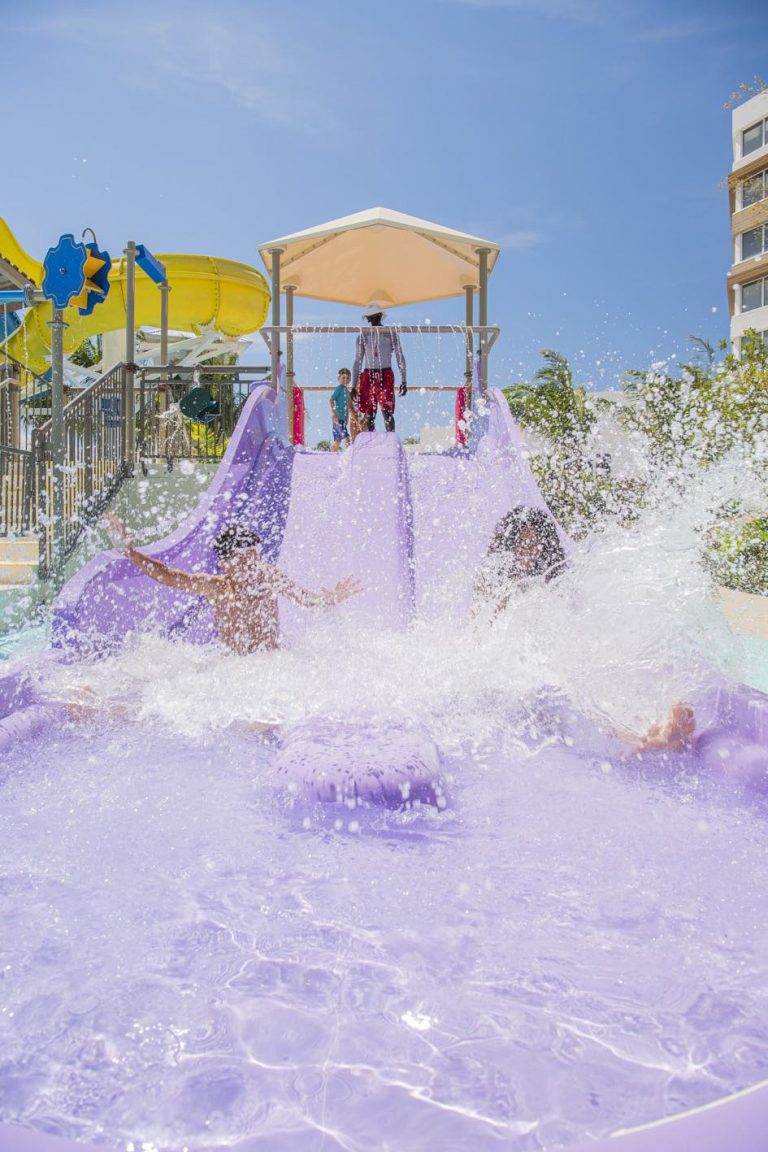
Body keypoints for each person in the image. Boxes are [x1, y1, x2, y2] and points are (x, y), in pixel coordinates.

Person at [473, 505, 696, 753]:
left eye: (535, 543)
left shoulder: (553, 583)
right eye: (521, 543)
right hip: (521, 671)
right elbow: (486, 636)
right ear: (508, 545)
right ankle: (641, 740)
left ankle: (662, 722)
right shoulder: (493, 584)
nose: (529, 551)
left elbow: (572, 622)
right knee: (568, 691)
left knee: (599, 673)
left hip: (555, 656)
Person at [103, 515, 363, 655]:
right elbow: (168, 576)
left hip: (269, 663)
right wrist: (131, 552)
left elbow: (308, 600)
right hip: (232, 667)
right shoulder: (216, 587)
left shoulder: (268, 578)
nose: (253, 567)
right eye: (245, 562)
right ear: (225, 564)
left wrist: (332, 598)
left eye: (255, 558)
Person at [352, 303, 407, 433]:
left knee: (387, 412)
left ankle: (391, 440)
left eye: (376, 315)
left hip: (385, 374)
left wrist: (404, 380)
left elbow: (400, 357)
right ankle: (372, 441)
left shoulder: (391, 334)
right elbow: (357, 361)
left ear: (381, 316)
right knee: (369, 413)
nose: (373, 319)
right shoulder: (362, 336)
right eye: (371, 317)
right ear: (368, 319)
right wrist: (354, 385)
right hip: (368, 375)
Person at [329, 368, 352, 452]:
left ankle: (331, 453)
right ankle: (349, 454)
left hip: (342, 419)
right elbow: (331, 400)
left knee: (338, 440)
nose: (346, 380)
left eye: (348, 378)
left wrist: (347, 419)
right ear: (338, 378)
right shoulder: (339, 388)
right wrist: (334, 413)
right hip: (338, 418)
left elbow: (348, 407)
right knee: (347, 437)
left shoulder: (347, 392)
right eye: (344, 377)